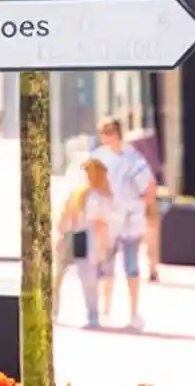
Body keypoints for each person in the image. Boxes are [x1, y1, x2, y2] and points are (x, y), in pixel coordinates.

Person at [93, 116, 155, 330]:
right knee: (105, 266)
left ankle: (133, 312)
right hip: (109, 219)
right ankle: (105, 309)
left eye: (108, 133)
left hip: (130, 220)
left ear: (117, 135)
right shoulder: (100, 158)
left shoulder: (133, 159)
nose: (105, 138)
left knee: (131, 266)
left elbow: (148, 188)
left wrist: (144, 211)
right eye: (103, 134)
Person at [54, 157, 113, 326]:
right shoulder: (79, 193)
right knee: (61, 277)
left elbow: (102, 223)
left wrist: (103, 247)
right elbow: (65, 215)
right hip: (76, 237)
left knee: (88, 280)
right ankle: (56, 311)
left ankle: (92, 315)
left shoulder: (101, 196)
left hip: (86, 238)